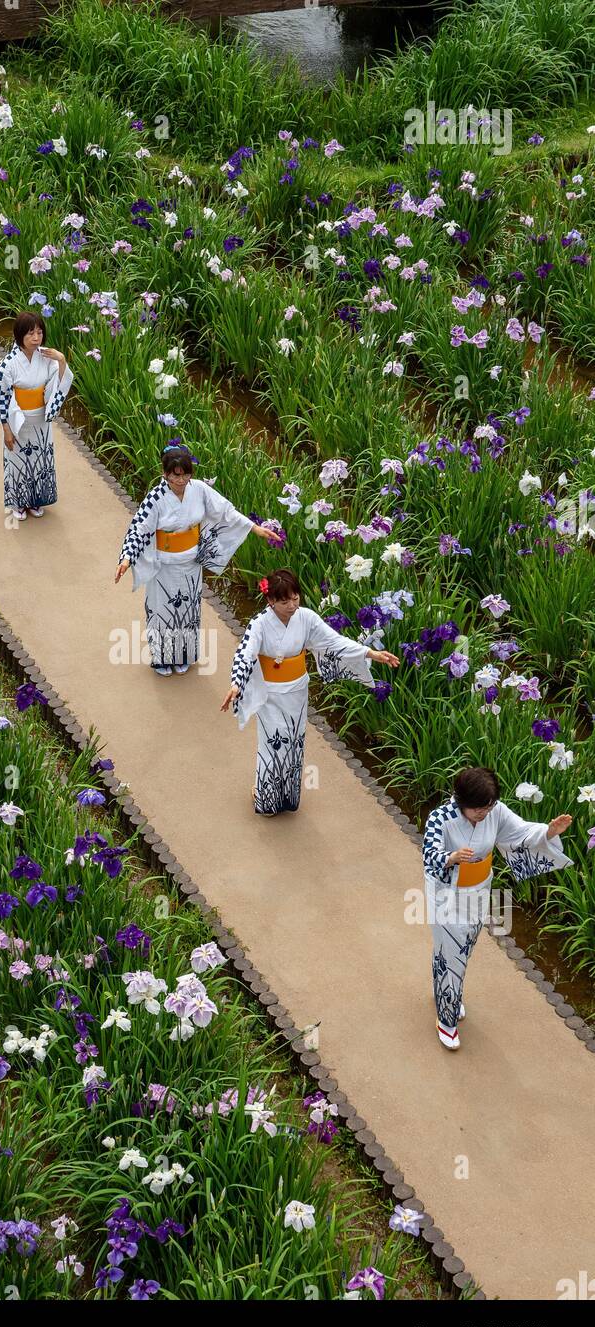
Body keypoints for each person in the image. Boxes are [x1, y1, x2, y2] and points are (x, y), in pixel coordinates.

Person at [221, 568, 398, 814]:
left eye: (295, 598)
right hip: (270, 694)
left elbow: (334, 642)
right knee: (273, 744)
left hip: (297, 691)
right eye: (284, 601)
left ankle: (288, 798)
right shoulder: (259, 623)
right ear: (270, 600)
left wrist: (371, 653)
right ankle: (266, 797)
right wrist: (236, 684)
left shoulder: (307, 618)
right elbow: (246, 652)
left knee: (294, 742)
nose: (292, 605)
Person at [422, 765, 573, 1050]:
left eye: (488, 806)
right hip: (447, 893)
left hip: (479, 889)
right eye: (479, 808)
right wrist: (451, 857)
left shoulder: (496, 811)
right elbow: (430, 852)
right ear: (462, 800)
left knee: (460, 949)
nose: (484, 813)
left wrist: (548, 832)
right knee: (452, 952)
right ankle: (447, 1020)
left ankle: (444, 989)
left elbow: (521, 833)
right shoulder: (441, 818)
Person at [115, 445, 278, 676]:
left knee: (188, 613)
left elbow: (225, 511)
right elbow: (139, 529)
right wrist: (127, 558)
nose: (181, 480)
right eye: (175, 475)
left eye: (185, 474)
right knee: (162, 612)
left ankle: (184, 655)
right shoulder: (155, 498)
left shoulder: (199, 489)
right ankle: (162, 658)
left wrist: (254, 528)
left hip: (191, 564)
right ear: (165, 474)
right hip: (164, 565)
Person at [0, 311, 72, 521]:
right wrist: (6, 430)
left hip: (40, 419)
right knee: (17, 461)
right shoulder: (8, 363)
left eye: (39, 332)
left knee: (40, 459)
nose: (36, 338)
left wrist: (61, 360)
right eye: (30, 334)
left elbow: (59, 383)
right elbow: (0, 397)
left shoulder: (46, 357)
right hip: (18, 420)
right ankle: (17, 501)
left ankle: (36, 499)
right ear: (19, 336)